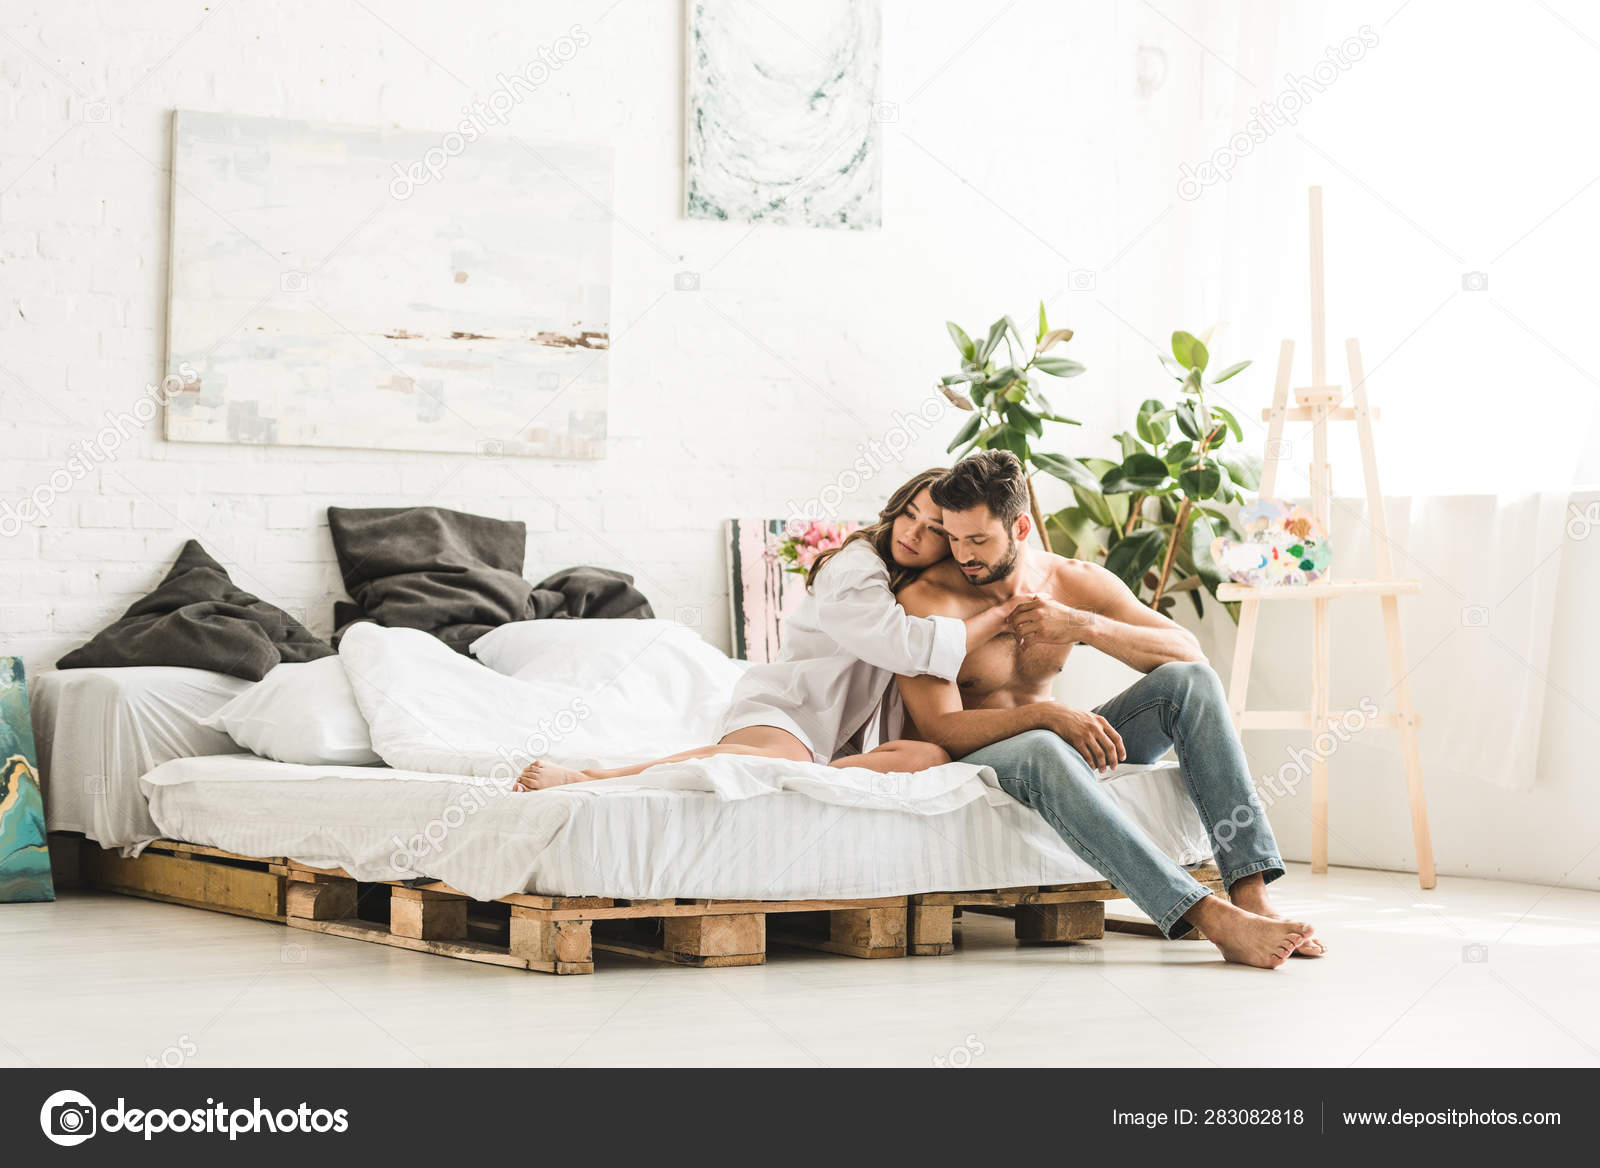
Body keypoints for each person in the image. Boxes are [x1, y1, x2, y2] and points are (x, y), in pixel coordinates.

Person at [896, 450, 1324, 969]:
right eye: (954, 537)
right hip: (992, 752)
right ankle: (1211, 918)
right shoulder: (928, 600)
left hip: (1058, 734)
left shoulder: (1071, 582)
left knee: (1188, 682)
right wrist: (1048, 716)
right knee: (1039, 748)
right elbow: (942, 728)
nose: (964, 554)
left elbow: (1190, 652)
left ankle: (1251, 896)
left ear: (1021, 526)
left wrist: (1084, 627)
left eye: (979, 539)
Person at [516, 468, 1025, 789]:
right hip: (788, 711)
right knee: (777, 757)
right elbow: (902, 645)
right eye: (910, 514)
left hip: (836, 737)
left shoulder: (911, 584)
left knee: (927, 756)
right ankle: (593, 778)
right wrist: (1001, 615)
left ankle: (804, 780)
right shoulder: (856, 568)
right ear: (893, 510)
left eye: (937, 530)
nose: (915, 533)